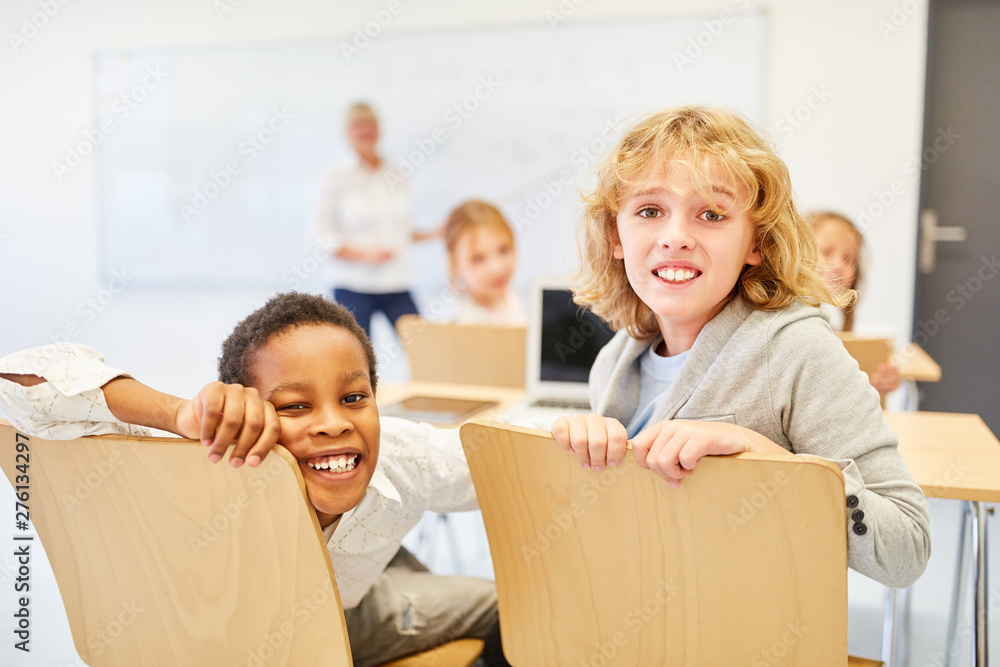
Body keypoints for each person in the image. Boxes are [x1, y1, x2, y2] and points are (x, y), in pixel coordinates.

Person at [0, 293, 509, 667]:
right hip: (292, 634)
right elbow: (13, 382)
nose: (333, 422)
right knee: (492, 600)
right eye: (293, 406)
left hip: (353, 591)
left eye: (354, 397)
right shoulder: (198, 464)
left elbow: (513, 465)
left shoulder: (400, 454)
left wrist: (575, 433)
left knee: (480, 588)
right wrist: (177, 414)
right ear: (248, 413)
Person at [551, 105, 930, 589]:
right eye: (649, 211)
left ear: (757, 242)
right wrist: (581, 462)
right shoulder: (614, 362)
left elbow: (906, 550)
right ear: (615, 235)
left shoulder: (798, 352)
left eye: (711, 213)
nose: (675, 238)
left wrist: (770, 461)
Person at [311, 102, 439, 337]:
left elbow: (403, 232)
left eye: (370, 124)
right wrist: (366, 255)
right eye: (358, 124)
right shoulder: (334, 177)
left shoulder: (397, 173)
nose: (365, 130)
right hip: (352, 285)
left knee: (423, 347)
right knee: (356, 360)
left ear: (380, 130)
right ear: (347, 132)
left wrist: (436, 233)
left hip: (397, 282)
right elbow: (322, 238)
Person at [811, 210, 901, 394]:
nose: (838, 266)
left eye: (849, 259)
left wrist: (876, 384)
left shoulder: (831, 333)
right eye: (826, 252)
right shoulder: (787, 327)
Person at [442, 199, 526, 325]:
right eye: (478, 259)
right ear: (454, 264)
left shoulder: (511, 297)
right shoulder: (456, 322)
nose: (497, 268)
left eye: (503, 250)